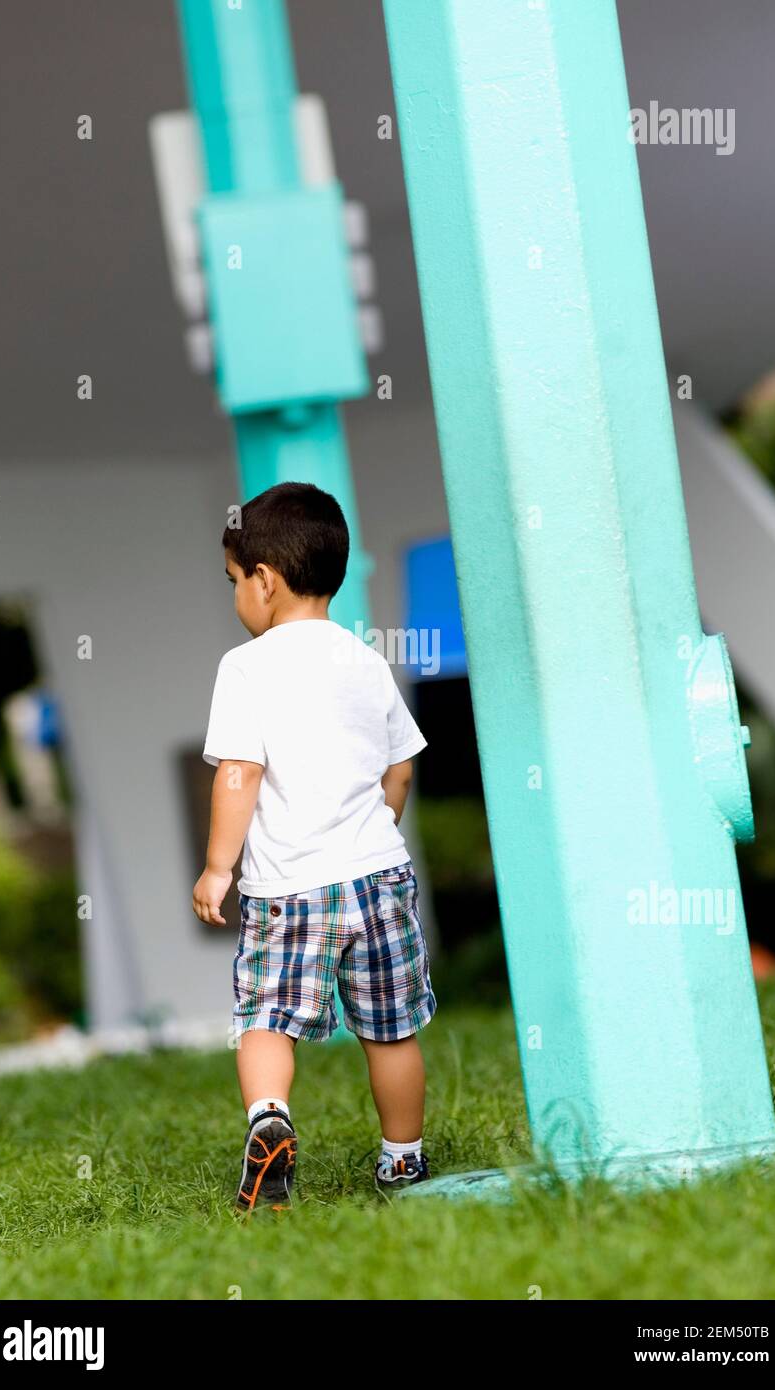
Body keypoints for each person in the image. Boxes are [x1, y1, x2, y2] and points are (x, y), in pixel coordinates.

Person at [193, 481, 436, 1212]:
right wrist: (381, 822)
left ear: (264, 582)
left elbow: (239, 772)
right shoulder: (363, 659)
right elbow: (400, 766)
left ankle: (271, 1119)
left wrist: (217, 866)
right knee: (392, 1032)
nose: (237, 598)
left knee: (266, 1019)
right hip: (377, 879)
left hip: (289, 889)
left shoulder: (247, 666)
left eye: (235, 583)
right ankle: (402, 1161)